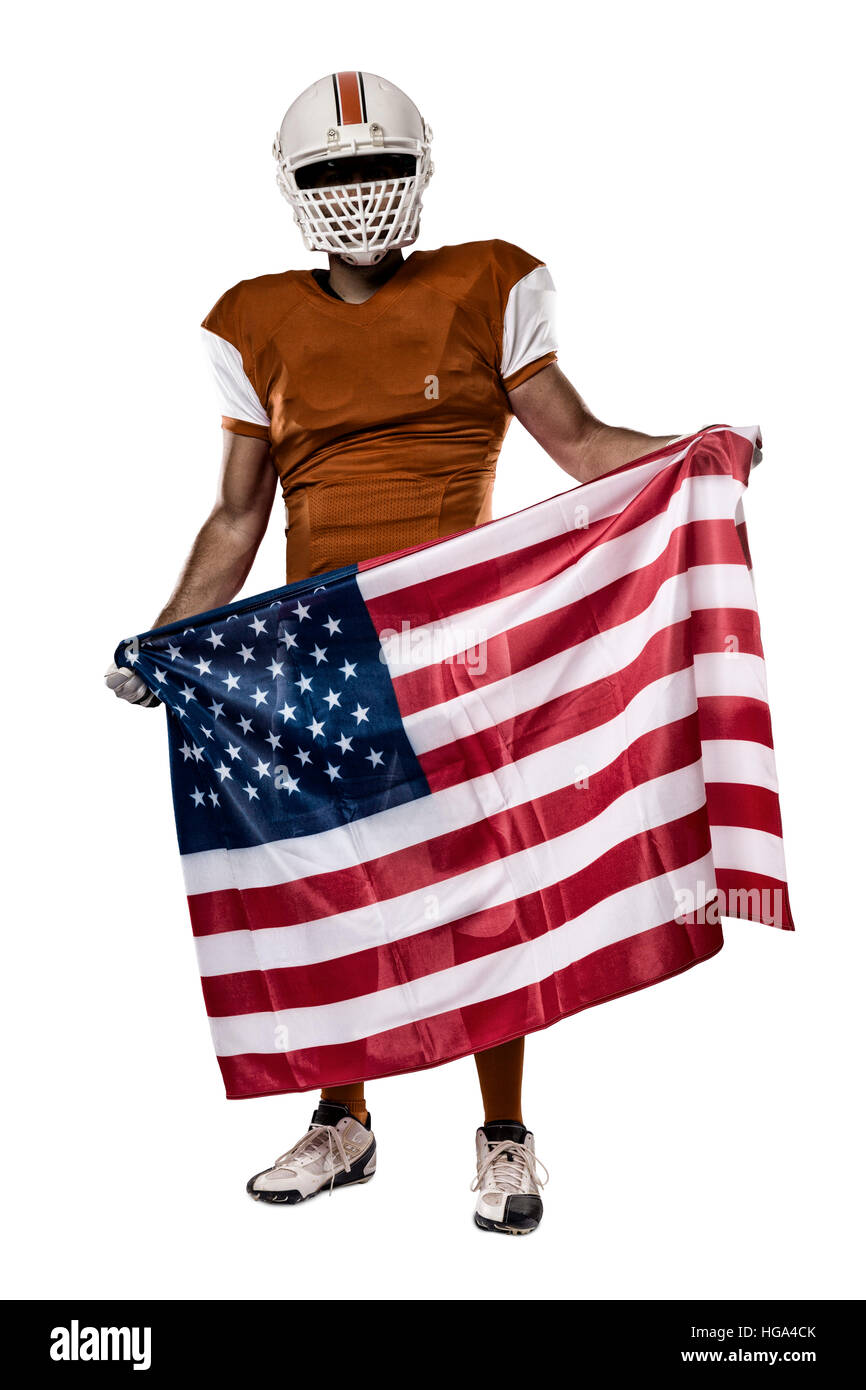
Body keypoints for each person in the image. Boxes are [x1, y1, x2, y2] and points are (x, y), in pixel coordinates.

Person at [106, 70, 680, 1235]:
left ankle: (505, 1134)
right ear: (290, 187)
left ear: (420, 172)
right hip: (321, 650)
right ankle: (344, 1119)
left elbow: (578, 443)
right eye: (333, 171)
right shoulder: (252, 317)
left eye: (378, 167)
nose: (357, 193)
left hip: (466, 641)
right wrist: (165, 635)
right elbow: (235, 518)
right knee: (335, 883)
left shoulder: (487, 282)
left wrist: (695, 450)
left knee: (480, 882)